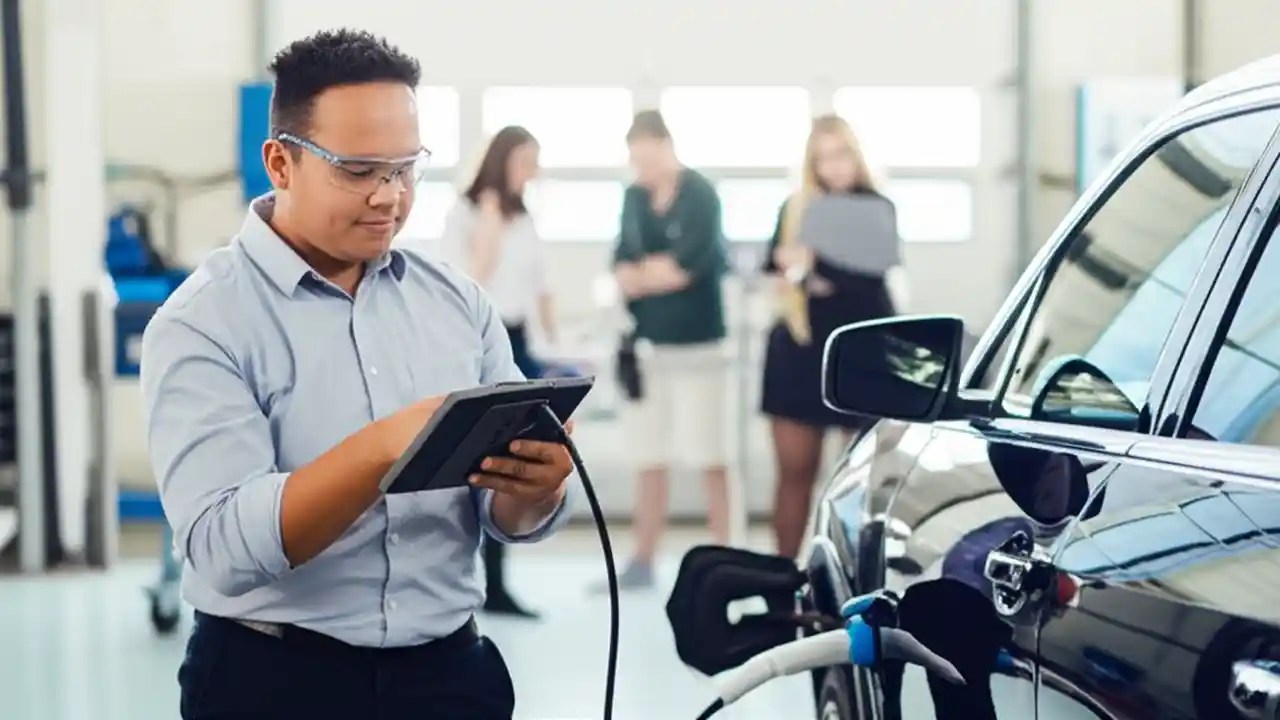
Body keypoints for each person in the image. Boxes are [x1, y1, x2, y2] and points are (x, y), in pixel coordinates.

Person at [140, 30, 576, 719]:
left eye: (405, 169)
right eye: (358, 170)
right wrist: (381, 450)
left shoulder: (457, 304)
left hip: (450, 677)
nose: (388, 197)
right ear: (280, 163)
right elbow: (223, 548)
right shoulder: (203, 322)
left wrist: (538, 489)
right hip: (274, 684)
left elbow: (503, 516)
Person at [761, 114, 899, 560]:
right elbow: (772, 265)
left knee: (858, 482)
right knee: (794, 475)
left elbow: (872, 275)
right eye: (821, 159)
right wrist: (794, 269)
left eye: (840, 154)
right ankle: (782, 592)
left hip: (861, 350)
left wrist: (817, 264)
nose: (832, 167)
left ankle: (844, 585)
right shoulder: (795, 208)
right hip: (799, 351)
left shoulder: (877, 208)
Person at [604, 110, 732, 590]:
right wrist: (648, 273)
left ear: (668, 145)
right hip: (647, 349)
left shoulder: (701, 194)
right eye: (634, 159)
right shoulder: (633, 197)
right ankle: (643, 558)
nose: (642, 168)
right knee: (648, 454)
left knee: (709, 453)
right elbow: (621, 265)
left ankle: (723, 556)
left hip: (700, 347)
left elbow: (688, 267)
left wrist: (648, 274)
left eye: (648, 156)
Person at [438, 125, 554, 618]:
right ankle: (470, 578)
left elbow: (539, 284)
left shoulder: (525, 218)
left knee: (516, 460)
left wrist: (558, 341)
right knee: (478, 460)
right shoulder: (465, 214)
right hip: (479, 342)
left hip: (521, 342)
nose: (531, 174)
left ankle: (500, 582)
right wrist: (488, 214)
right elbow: (474, 276)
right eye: (524, 162)